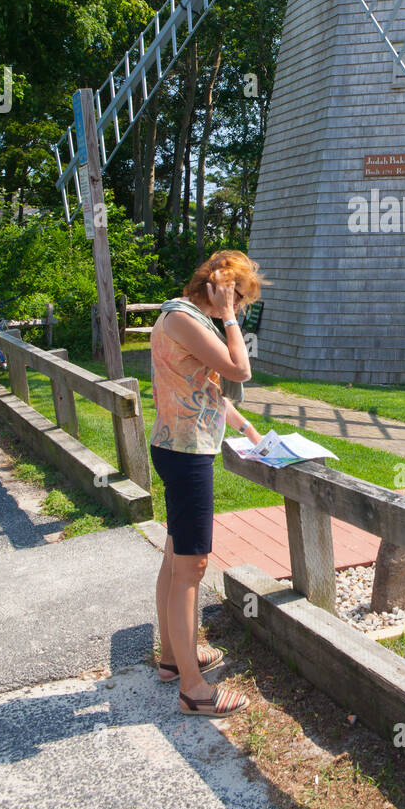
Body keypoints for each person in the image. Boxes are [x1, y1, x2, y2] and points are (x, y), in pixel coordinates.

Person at [149, 249, 264, 717]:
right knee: (192, 568)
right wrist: (232, 319)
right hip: (185, 453)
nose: (239, 308)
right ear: (221, 290)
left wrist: (246, 429)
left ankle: (174, 660)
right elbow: (239, 371)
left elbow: (203, 386)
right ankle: (194, 690)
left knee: (177, 556)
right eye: (240, 298)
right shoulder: (186, 318)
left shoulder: (185, 318)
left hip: (177, 447)